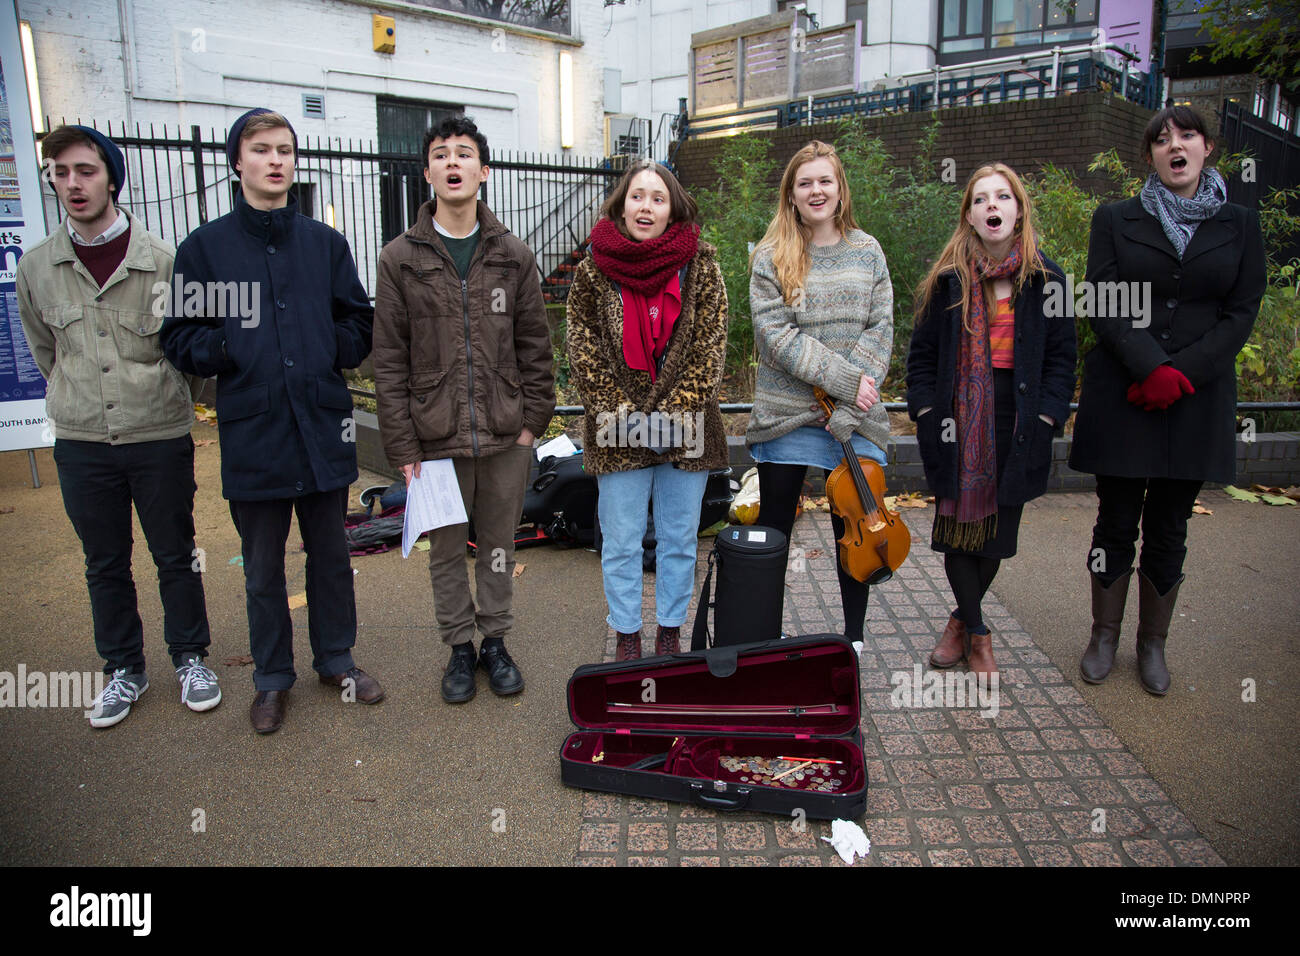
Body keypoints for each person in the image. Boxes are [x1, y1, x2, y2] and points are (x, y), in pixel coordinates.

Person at [162, 109, 381, 733]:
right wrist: (230, 350)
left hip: (322, 424)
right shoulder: (205, 249)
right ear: (239, 162)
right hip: (253, 431)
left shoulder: (325, 244)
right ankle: (272, 678)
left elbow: (358, 322)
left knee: (332, 555)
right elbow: (178, 337)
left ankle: (336, 659)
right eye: (261, 150)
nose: (276, 160)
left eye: (284, 149)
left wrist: (325, 348)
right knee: (262, 565)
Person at [16, 125, 220, 728]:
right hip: (81, 442)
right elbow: (44, 350)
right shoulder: (37, 268)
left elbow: (189, 353)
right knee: (103, 561)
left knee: (176, 554)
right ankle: (124, 670)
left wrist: (155, 398)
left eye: (85, 170)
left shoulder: (162, 262)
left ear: (111, 176)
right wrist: (78, 398)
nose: (73, 184)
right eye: (61, 172)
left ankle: (190, 657)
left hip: (157, 436)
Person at [1071, 106, 1265, 695]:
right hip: (1124, 390)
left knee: (1170, 526)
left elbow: (1241, 311)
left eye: (1185, 136)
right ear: (1150, 155)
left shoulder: (1239, 223)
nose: (1173, 146)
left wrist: (1181, 373)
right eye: (1161, 140)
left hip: (1195, 399)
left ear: (1207, 148)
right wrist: (1149, 365)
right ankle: (1104, 634)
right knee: (1114, 522)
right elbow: (1101, 296)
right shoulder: (1115, 218)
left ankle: (1152, 643)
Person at [373, 116, 555, 702]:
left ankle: (495, 641)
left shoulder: (512, 255)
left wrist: (531, 426)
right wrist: (402, 448)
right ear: (427, 172)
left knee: (499, 544)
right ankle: (458, 648)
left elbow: (536, 346)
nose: (453, 163)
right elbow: (389, 359)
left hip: (505, 435)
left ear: (482, 170)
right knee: (447, 550)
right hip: (434, 439)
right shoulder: (400, 258)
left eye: (465, 153)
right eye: (441, 155)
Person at [907, 163, 1076, 677]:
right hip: (958, 422)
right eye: (980, 200)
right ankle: (979, 636)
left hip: (1020, 421)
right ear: (970, 216)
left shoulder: (1049, 279)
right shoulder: (947, 281)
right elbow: (921, 358)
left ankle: (960, 620)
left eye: (1002, 197)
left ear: (1019, 208)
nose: (992, 207)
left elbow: (1062, 358)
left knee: (998, 536)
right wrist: (926, 411)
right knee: (958, 533)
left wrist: (1048, 416)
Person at [565, 160, 729, 660]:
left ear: (672, 208)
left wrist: (672, 418)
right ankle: (627, 637)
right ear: (622, 204)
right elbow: (583, 348)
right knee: (621, 541)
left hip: (690, 427)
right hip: (617, 429)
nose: (646, 207)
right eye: (637, 196)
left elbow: (710, 348)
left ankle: (671, 634)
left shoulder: (702, 265)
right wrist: (629, 418)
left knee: (680, 539)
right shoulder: (593, 270)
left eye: (658, 198)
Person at [746, 140, 894, 647]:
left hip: (857, 418)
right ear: (791, 193)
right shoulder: (770, 256)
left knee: (853, 531)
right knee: (774, 533)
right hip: (788, 414)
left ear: (839, 188)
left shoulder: (868, 250)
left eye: (824, 181)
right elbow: (778, 337)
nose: (816, 190)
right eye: (804, 182)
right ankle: (764, 635)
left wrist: (852, 406)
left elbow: (881, 328)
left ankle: (851, 640)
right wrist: (847, 383)